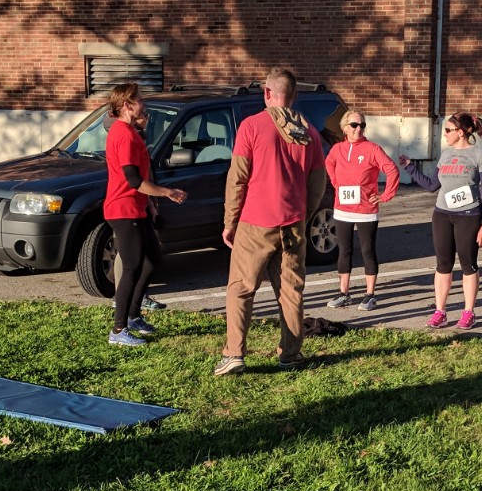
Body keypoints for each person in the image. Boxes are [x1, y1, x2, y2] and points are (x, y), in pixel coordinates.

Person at [214, 67, 329, 375]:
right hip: (292, 223)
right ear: (295, 95)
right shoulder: (310, 133)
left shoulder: (252, 126)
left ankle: (234, 353)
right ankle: (290, 353)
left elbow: (237, 178)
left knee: (241, 288)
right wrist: (302, 214)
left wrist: (230, 221)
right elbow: (318, 184)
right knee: (290, 291)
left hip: (255, 222)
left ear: (267, 93)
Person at [103, 81, 187, 347]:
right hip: (123, 208)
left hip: (136, 208)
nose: (143, 102)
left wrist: (150, 203)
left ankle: (133, 316)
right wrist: (166, 192)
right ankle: (118, 330)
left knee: (151, 260)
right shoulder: (124, 135)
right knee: (131, 267)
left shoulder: (129, 132)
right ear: (127, 105)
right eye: (139, 99)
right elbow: (132, 179)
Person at [400, 111, 482, 329]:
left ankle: (468, 312)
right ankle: (440, 311)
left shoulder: (479, 154)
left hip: (469, 217)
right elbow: (432, 185)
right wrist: (410, 167)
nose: (445, 135)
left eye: (448, 130)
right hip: (442, 215)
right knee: (443, 265)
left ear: (461, 132)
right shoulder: (446, 154)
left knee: (468, 264)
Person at [324, 109, 400, 311]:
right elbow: (329, 163)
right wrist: (335, 182)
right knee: (344, 251)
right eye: (355, 125)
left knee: (367, 251)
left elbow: (392, 170)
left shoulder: (372, 148)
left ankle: (370, 294)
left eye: (362, 125)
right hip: (342, 210)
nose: (359, 129)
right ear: (345, 128)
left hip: (366, 210)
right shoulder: (338, 149)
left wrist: (385, 195)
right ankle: (344, 293)